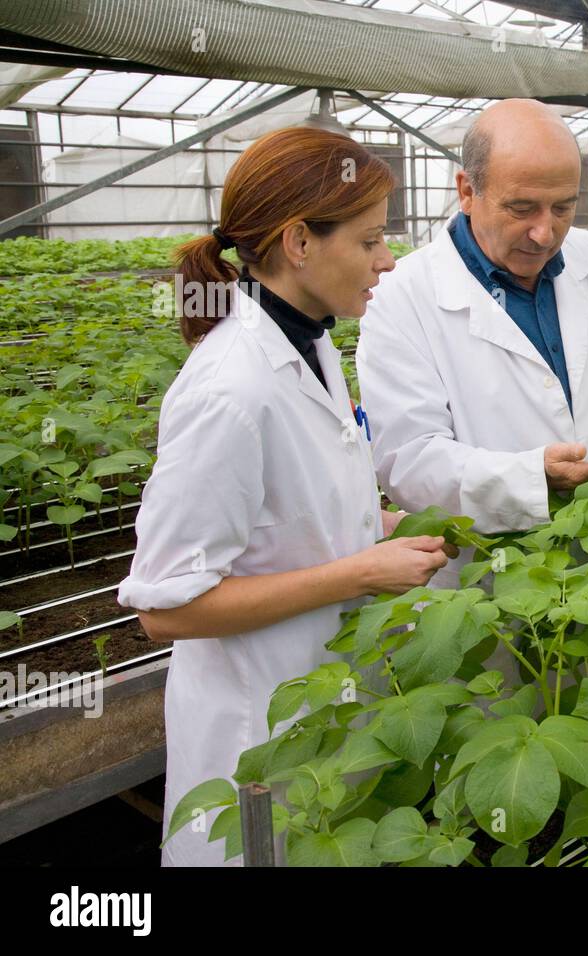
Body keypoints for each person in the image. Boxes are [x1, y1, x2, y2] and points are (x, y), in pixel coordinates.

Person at [116, 126, 454, 867]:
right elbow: (165, 608)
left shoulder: (311, 341)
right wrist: (362, 571)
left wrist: (387, 522)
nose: (387, 260)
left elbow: (292, 511)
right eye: (369, 242)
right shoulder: (230, 390)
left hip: (318, 712)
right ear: (299, 242)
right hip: (255, 742)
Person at [356, 98, 588, 558]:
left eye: (563, 208)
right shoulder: (401, 297)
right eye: (522, 208)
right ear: (468, 191)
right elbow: (408, 461)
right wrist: (532, 478)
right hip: (501, 578)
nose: (545, 233)